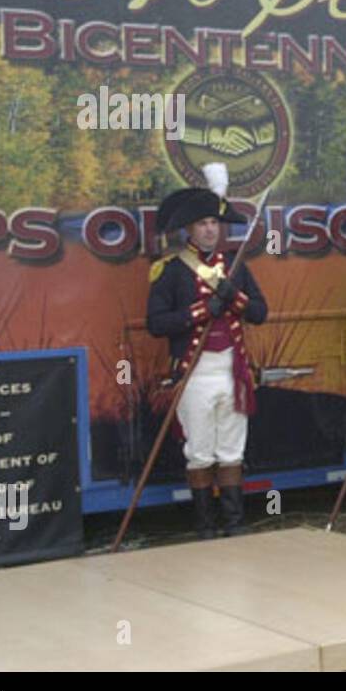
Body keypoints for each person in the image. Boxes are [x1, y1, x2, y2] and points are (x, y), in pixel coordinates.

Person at [147, 163, 268, 539]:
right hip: (195, 373)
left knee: (231, 449)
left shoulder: (235, 268)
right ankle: (205, 525)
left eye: (215, 223)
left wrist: (235, 298)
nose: (210, 230)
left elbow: (260, 313)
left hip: (233, 370)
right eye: (202, 224)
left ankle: (234, 522)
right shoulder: (170, 271)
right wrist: (201, 312)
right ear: (189, 229)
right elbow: (156, 323)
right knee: (200, 451)